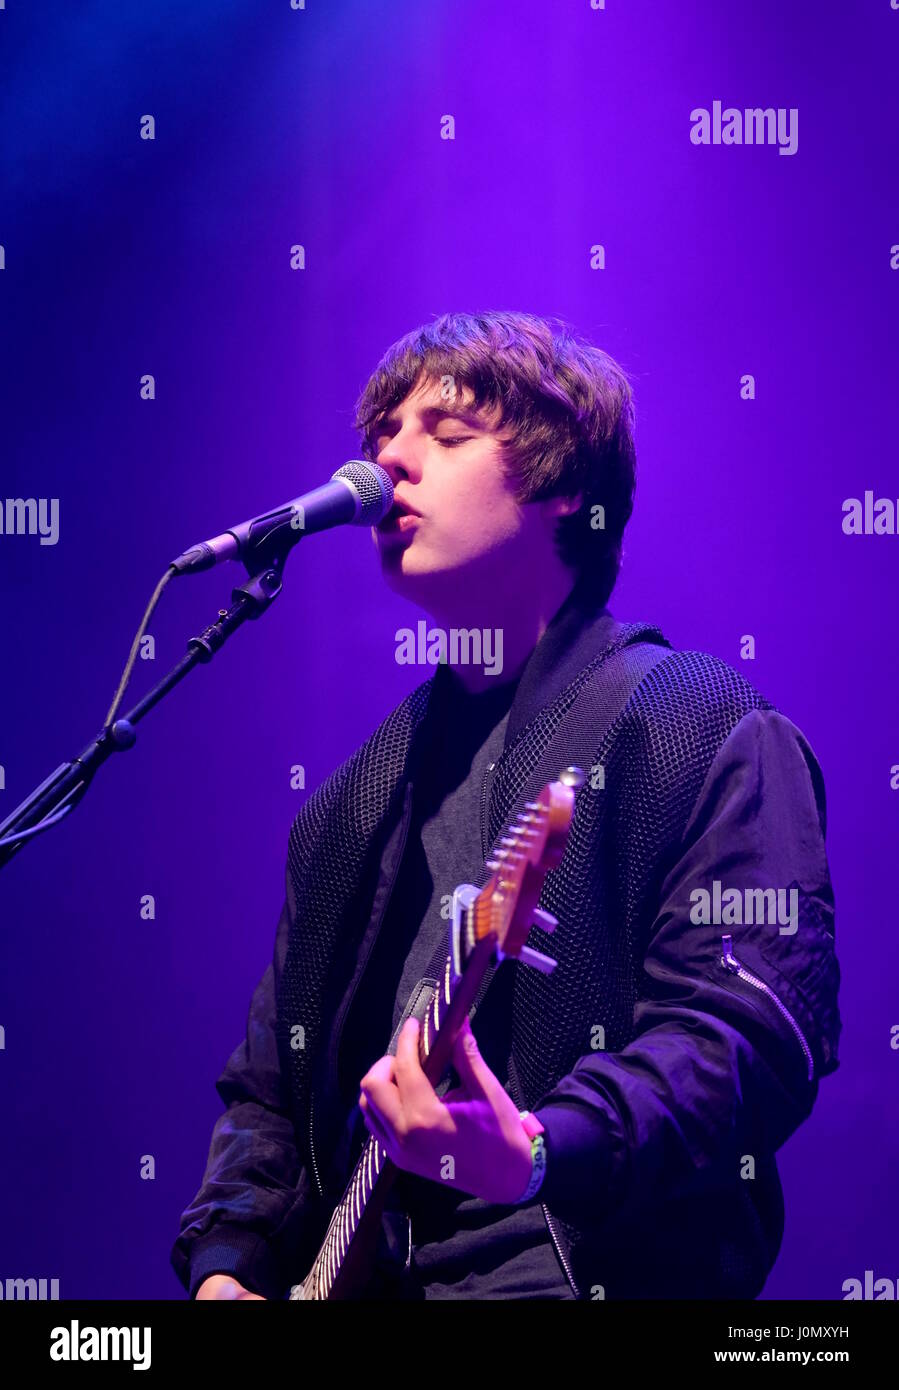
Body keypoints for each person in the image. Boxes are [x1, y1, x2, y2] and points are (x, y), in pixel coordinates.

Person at [171, 310, 841, 1300]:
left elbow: (749, 1030)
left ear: (566, 490)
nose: (391, 459)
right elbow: (268, 1092)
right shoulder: (350, 805)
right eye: (380, 439)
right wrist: (229, 1267)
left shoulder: (695, 722)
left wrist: (533, 1150)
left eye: (442, 436)